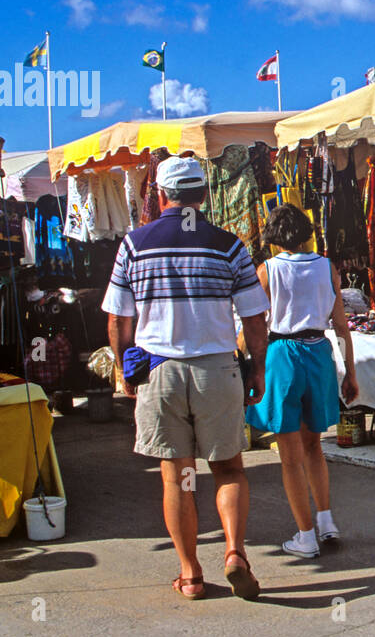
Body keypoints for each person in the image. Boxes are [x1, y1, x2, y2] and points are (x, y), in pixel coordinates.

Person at [102, 156, 270, 601]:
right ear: (203, 193)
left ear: (161, 194)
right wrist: (258, 368)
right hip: (217, 368)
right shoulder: (229, 245)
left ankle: (191, 574)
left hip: (160, 371)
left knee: (177, 478)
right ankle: (235, 552)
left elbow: (119, 320)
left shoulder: (135, 245)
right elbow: (255, 318)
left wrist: (124, 371)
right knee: (230, 469)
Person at [246, 204, 358, 559]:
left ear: (274, 238)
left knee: (289, 456)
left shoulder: (268, 270)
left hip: (283, 354)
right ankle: (326, 522)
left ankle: (305, 536)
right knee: (314, 447)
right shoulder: (327, 267)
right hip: (319, 353)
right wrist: (350, 371)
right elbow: (341, 326)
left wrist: (249, 365)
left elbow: (254, 325)